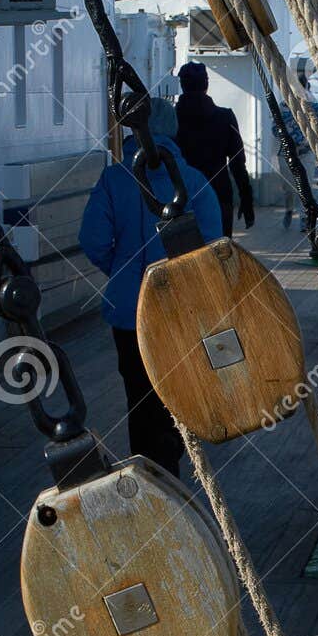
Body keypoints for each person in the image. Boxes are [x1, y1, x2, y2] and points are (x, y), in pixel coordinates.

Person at [79, 96, 223, 478]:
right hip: (181, 311)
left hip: (129, 314)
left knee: (138, 397)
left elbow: (92, 238)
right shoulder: (191, 180)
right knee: (178, 389)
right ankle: (174, 456)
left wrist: (122, 273)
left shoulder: (113, 179)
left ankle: (148, 473)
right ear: (172, 130)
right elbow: (212, 242)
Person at [175, 61, 255, 236]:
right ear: (207, 84)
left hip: (180, 200)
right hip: (219, 196)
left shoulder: (171, 119)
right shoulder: (225, 117)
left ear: (182, 85)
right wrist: (246, 199)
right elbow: (237, 163)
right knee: (220, 256)